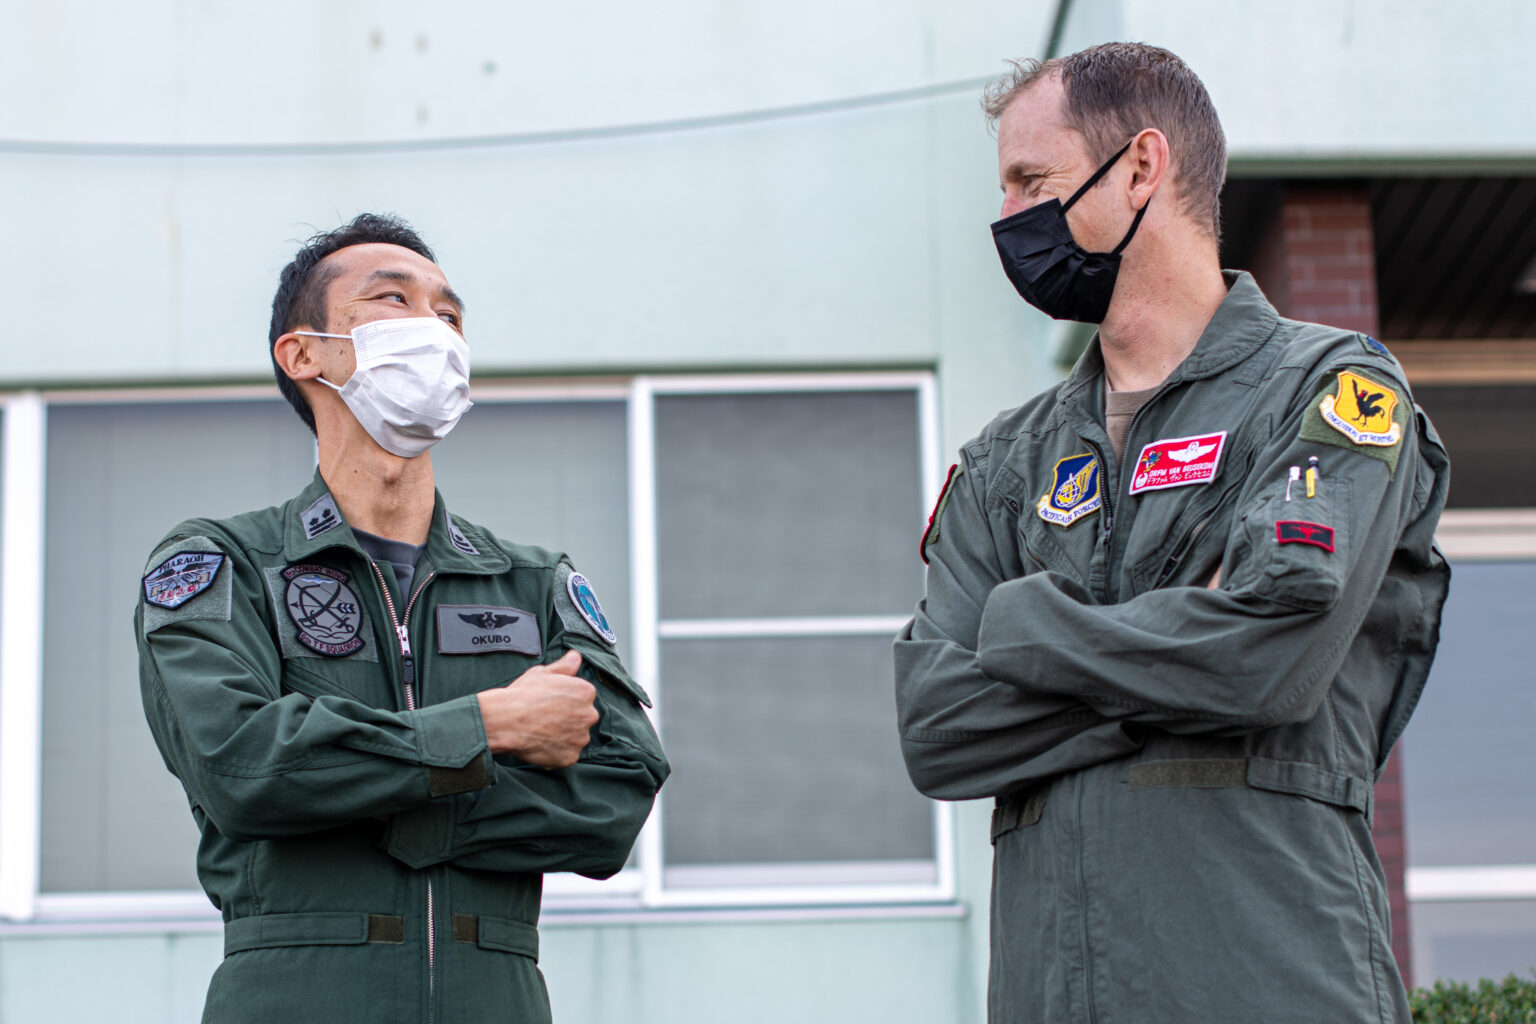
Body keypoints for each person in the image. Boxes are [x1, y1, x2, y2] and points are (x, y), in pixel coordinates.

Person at [894, 43, 1449, 1024]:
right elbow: (938, 728)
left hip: (1274, 983)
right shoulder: (1005, 461)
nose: (1010, 218)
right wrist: (1179, 644)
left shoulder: (1324, 393)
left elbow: (1267, 662)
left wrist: (1027, 629)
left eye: (1034, 181)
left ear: (1142, 169)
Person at [136, 213, 669, 1024]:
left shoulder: (529, 581)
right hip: (293, 997)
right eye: (395, 299)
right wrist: (487, 728)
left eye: (450, 316)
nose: (435, 329)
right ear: (304, 353)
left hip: (497, 999)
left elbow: (612, 803)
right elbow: (241, 768)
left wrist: (376, 803)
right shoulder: (229, 562)